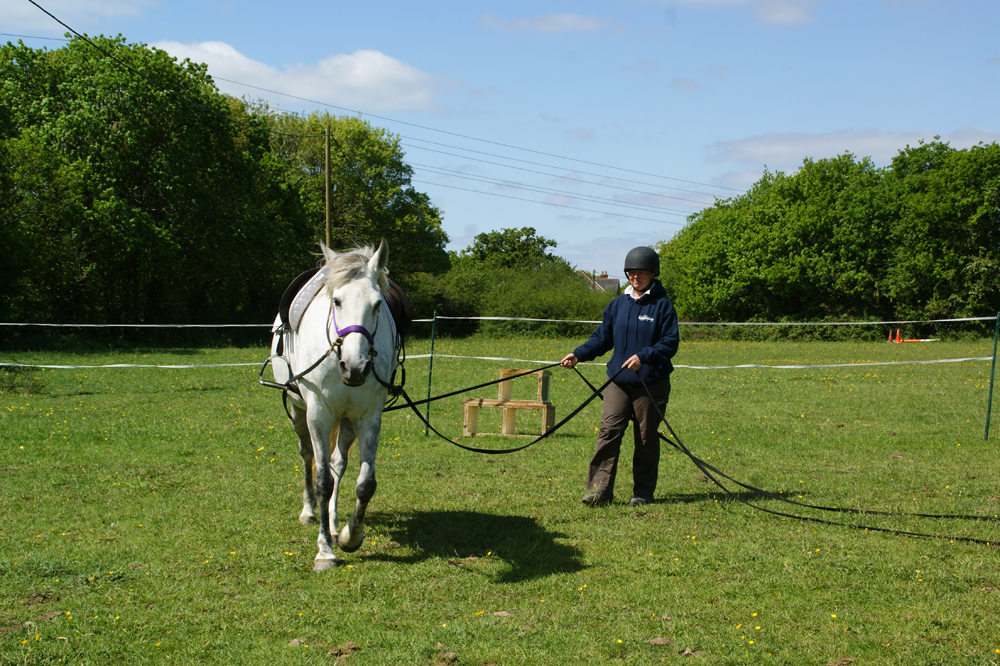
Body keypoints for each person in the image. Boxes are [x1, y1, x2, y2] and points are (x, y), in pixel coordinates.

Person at [561, 246, 680, 506]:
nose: (636, 277)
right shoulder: (617, 305)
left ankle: (643, 493)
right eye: (632, 272)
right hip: (618, 381)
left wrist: (644, 356)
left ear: (653, 273)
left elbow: (670, 343)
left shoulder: (663, 306)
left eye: (641, 272)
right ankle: (599, 491)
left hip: (650, 383)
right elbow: (602, 339)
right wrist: (578, 354)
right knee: (608, 432)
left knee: (646, 438)